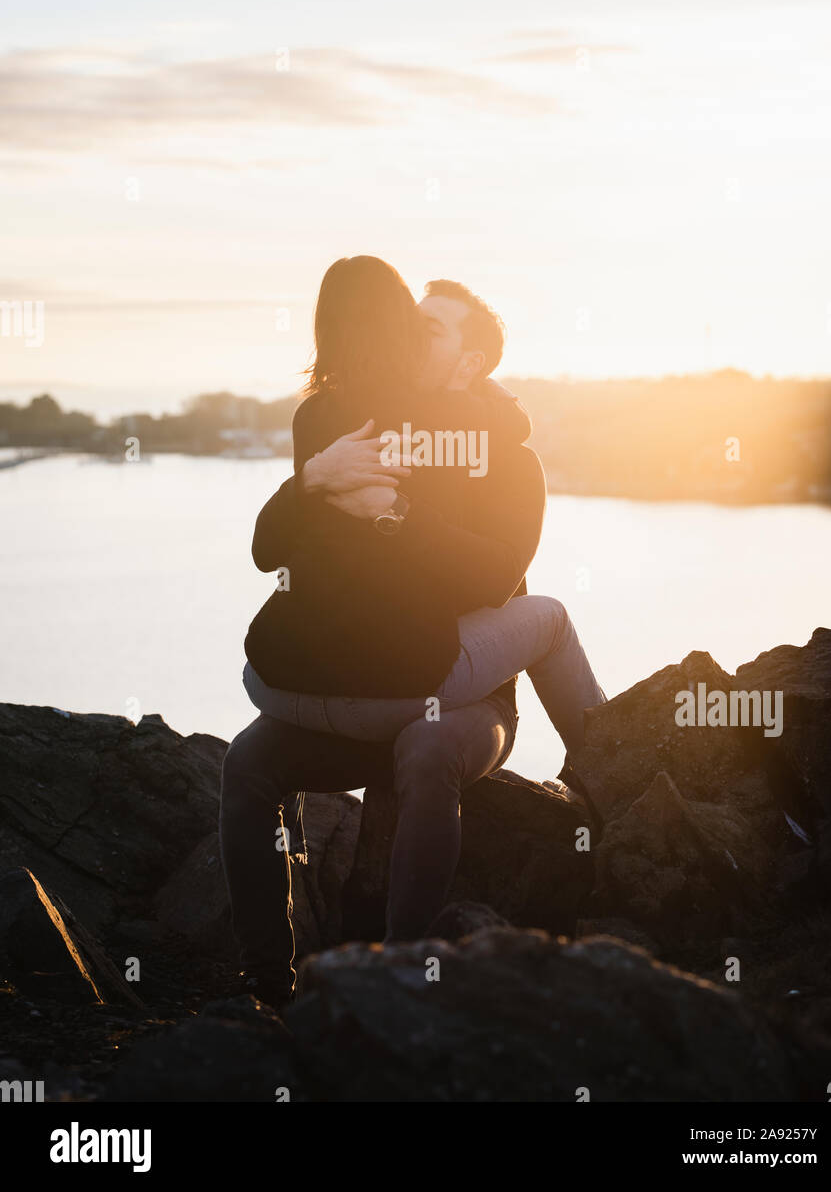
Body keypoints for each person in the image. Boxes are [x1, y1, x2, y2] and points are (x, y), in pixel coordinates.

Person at [219, 258, 606, 1006]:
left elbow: (489, 582)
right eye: (404, 320)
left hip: (470, 696)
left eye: (424, 328)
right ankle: (266, 979)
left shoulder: (508, 459)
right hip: (377, 678)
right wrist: (321, 484)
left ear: (468, 361)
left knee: (432, 736)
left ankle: (401, 972)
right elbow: (285, 553)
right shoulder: (368, 424)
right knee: (247, 762)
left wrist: (394, 518)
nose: (403, 333)